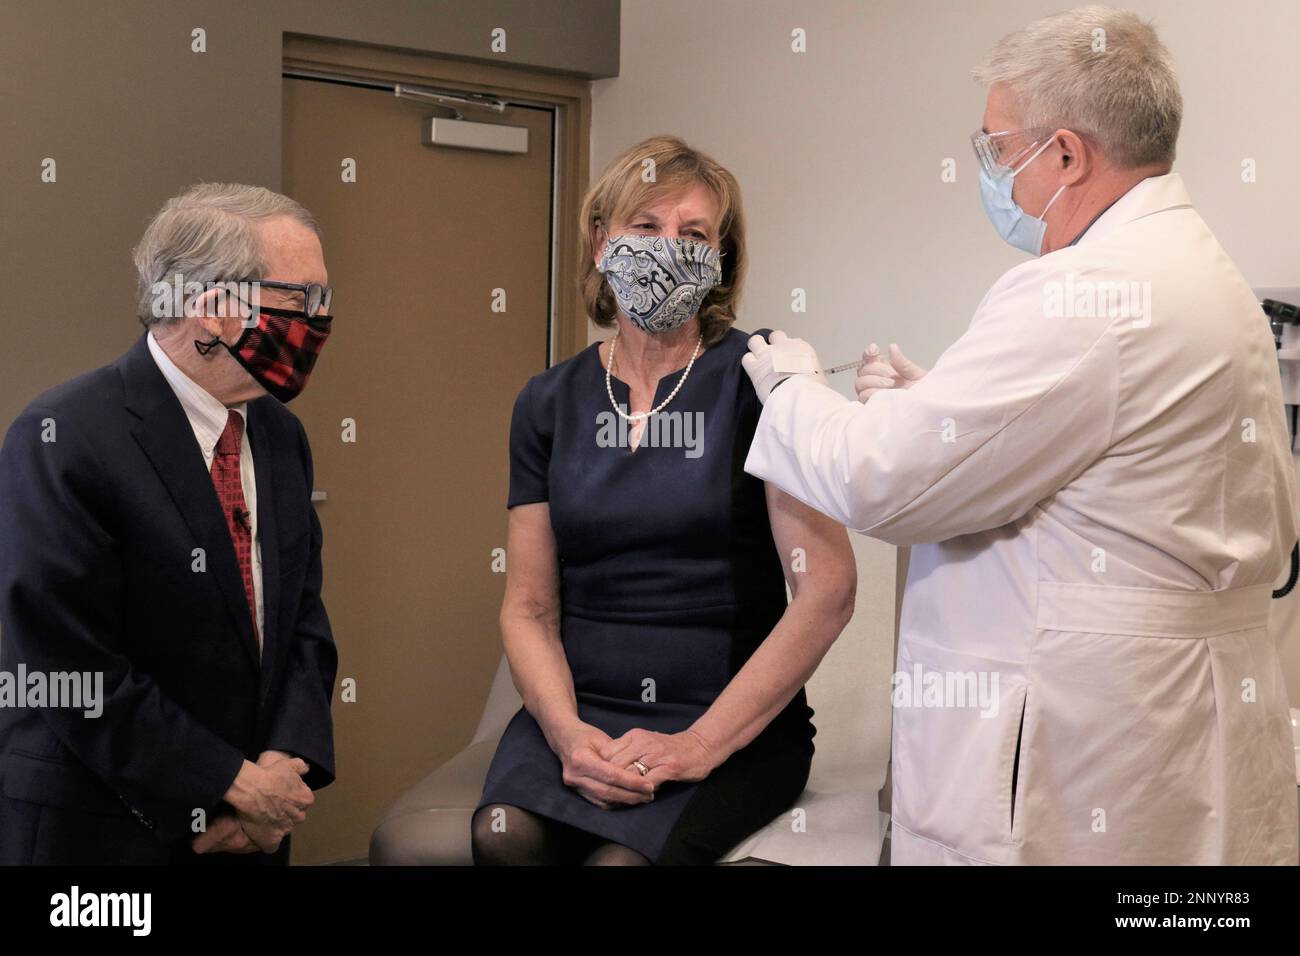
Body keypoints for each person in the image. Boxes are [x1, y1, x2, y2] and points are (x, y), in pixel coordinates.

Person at [741, 6, 1299, 865]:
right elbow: (1099, 453)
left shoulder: (1081, 291)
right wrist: (944, 405)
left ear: (1068, 154)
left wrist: (793, 388)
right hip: (1183, 728)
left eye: (1000, 149)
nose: (995, 172)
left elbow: (878, 480)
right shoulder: (1201, 274)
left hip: (1087, 754)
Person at [472, 135, 857, 865]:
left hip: (725, 723)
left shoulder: (763, 381)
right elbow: (528, 606)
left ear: (721, 260)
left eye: (695, 234)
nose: (667, 248)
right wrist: (565, 734)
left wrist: (698, 745)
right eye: (646, 227)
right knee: (506, 844)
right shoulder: (548, 402)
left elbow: (827, 592)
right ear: (599, 241)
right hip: (581, 712)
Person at [0, 183, 339, 864]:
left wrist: (280, 770)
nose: (320, 321)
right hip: (100, 831)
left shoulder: (279, 435)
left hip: (252, 831)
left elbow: (302, 620)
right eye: (300, 301)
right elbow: (67, 665)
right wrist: (230, 784)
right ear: (212, 312)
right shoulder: (63, 435)